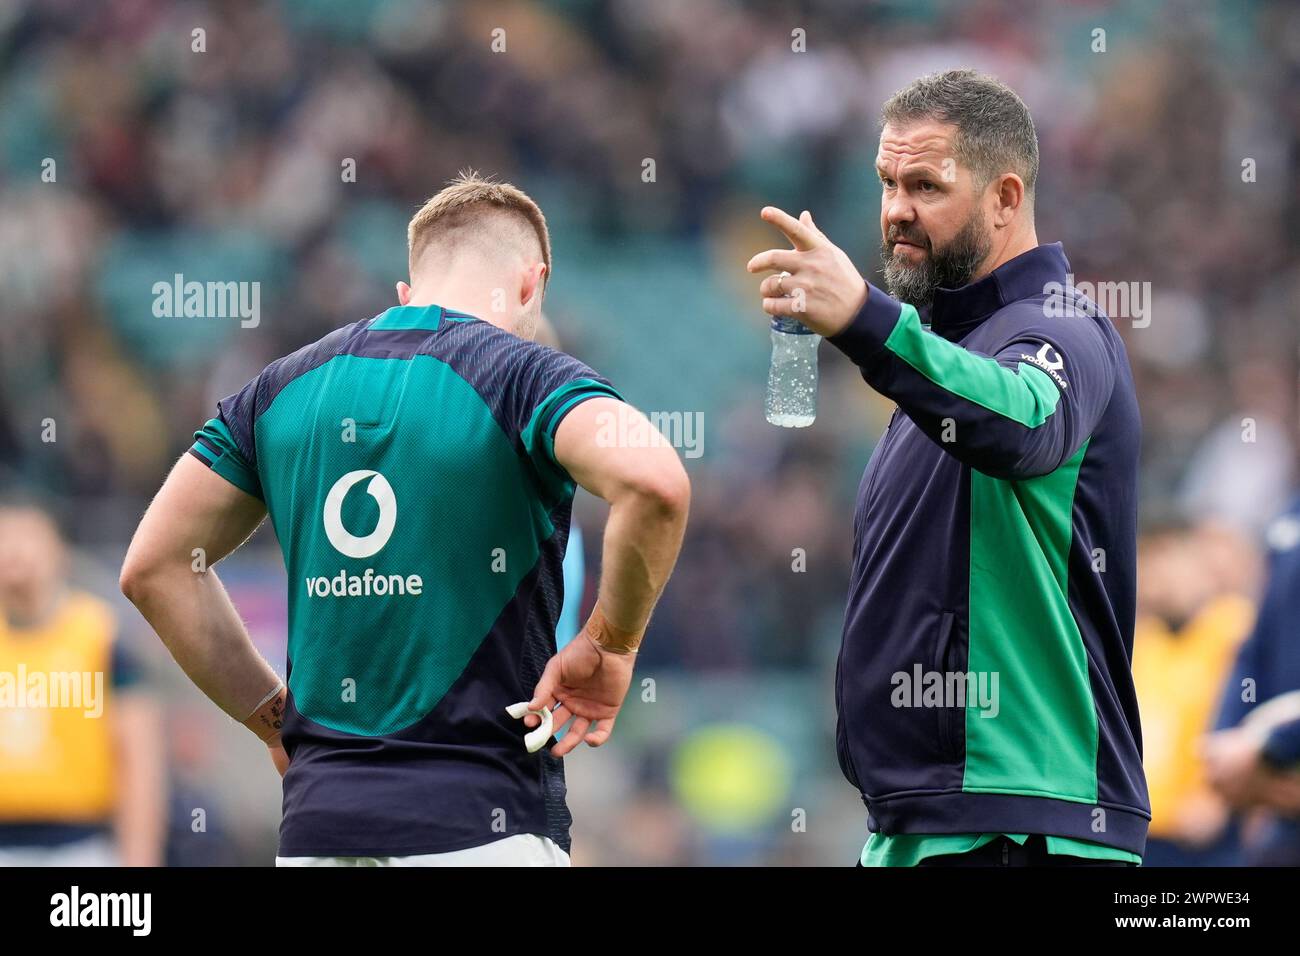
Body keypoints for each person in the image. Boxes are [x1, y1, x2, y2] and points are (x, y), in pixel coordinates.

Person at [121, 172, 690, 866]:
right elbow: (656, 483)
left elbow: (155, 567)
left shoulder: (279, 387)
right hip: (485, 827)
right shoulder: (524, 376)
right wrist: (611, 646)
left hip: (317, 831)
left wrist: (279, 723)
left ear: (407, 293)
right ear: (528, 286)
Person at [747, 70, 1147, 865]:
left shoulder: (1057, 326)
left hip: (1025, 822)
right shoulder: (940, 360)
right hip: (925, 822)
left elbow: (1018, 423)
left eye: (926, 184)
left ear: (1005, 198)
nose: (896, 209)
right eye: (887, 182)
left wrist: (864, 319)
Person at [0, 499, 165, 866]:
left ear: (60, 550)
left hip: (81, 847)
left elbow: (139, 760)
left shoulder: (102, 637)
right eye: (4, 537)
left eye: (28, 536)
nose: (13, 550)